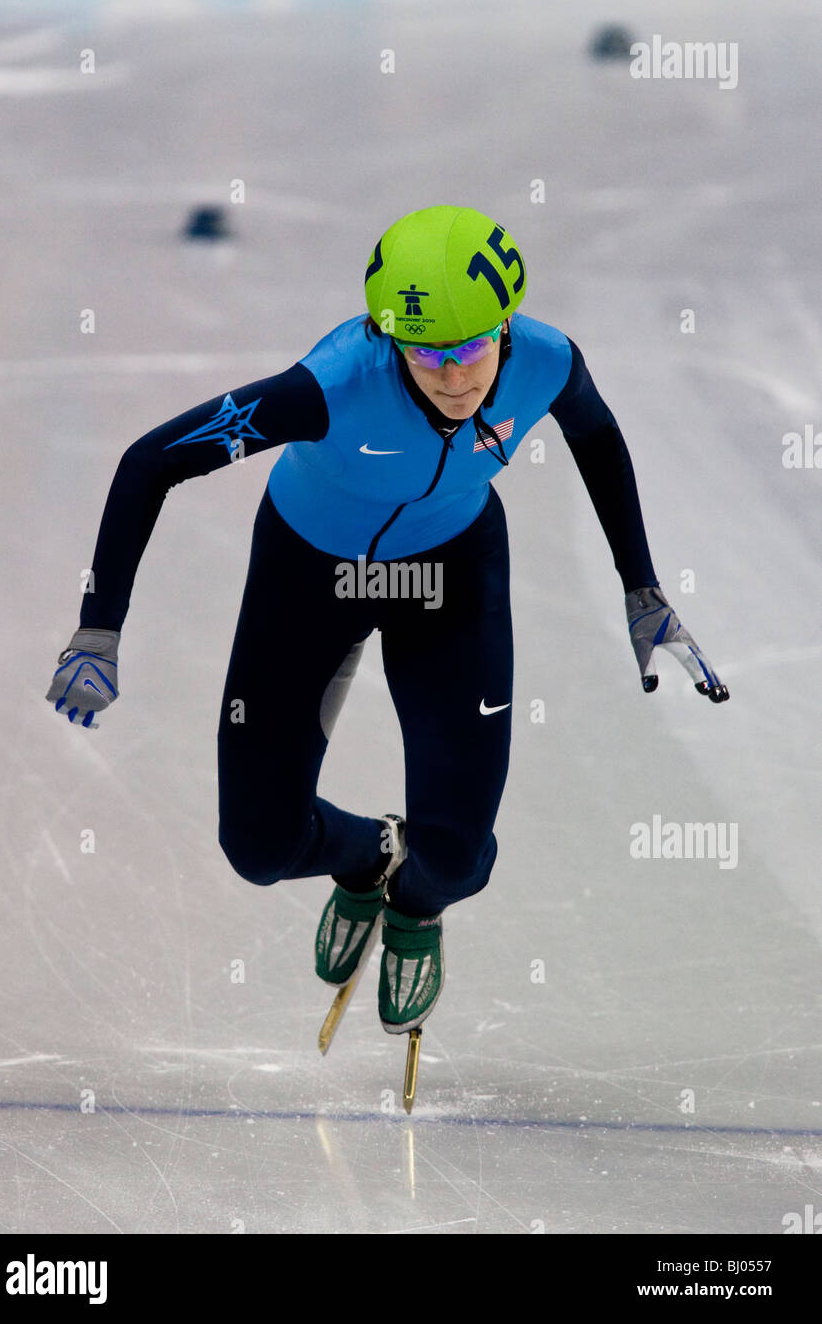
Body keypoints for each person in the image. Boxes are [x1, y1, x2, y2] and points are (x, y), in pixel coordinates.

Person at [45, 204, 729, 1039]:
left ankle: (416, 899)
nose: (452, 374)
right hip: (310, 575)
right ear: (389, 337)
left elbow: (598, 436)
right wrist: (99, 629)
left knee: (457, 860)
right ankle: (367, 854)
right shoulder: (331, 386)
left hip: (450, 574)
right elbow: (152, 459)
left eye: (473, 346)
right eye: (428, 353)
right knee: (259, 849)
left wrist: (643, 589)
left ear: (506, 327)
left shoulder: (548, 360)